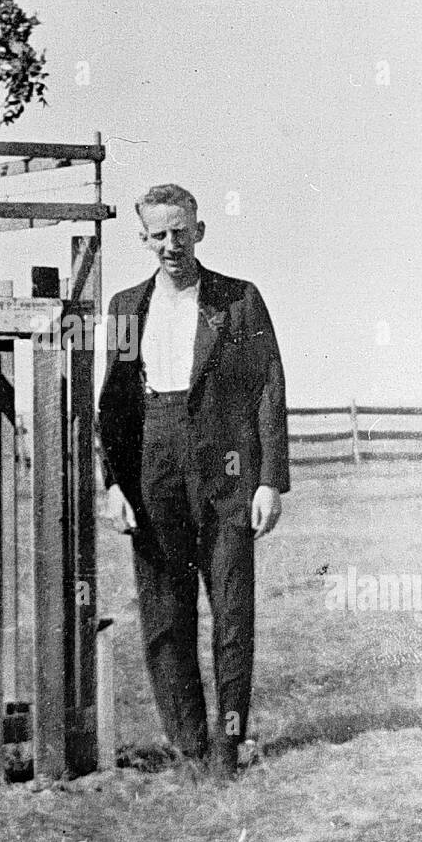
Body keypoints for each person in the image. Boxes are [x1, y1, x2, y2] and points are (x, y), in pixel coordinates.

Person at [97, 183, 290, 780]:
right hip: (154, 463)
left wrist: (268, 481)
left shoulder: (239, 301)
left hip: (227, 469)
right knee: (164, 611)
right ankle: (190, 748)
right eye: (158, 235)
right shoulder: (126, 308)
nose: (171, 245)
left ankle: (229, 746)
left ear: (199, 230)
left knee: (232, 611)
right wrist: (114, 485)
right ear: (144, 239)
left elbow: (267, 389)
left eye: (181, 231)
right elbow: (115, 405)